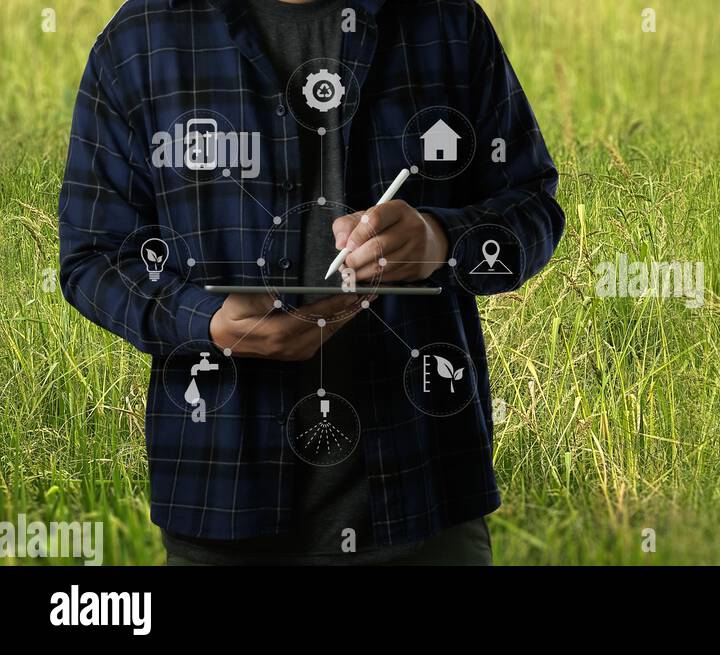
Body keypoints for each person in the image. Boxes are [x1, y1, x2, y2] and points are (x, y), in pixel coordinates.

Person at [57, 0, 563, 564]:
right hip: (222, 500)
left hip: (425, 500)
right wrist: (206, 322)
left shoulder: (445, 19)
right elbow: (94, 255)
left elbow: (533, 203)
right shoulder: (143, 34)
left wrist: (440, 240)